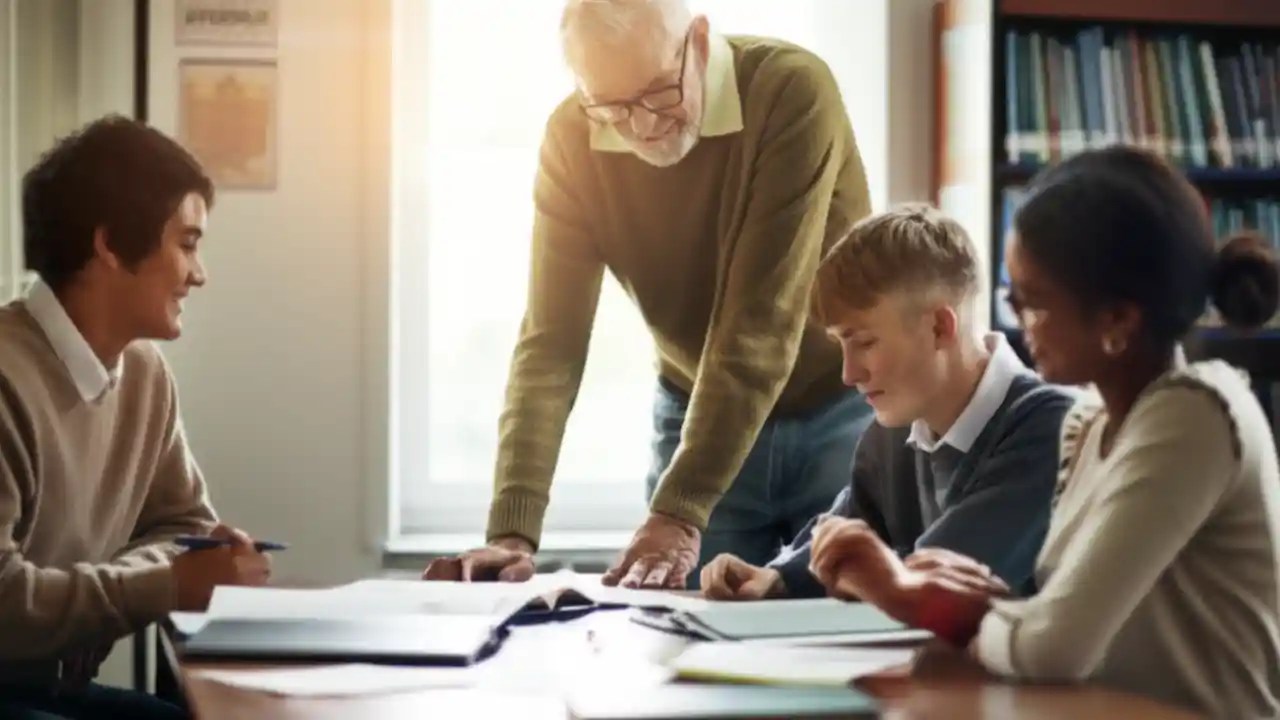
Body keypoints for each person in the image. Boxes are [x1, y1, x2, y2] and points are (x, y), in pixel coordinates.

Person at [809, 147, 1280, 718]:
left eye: (1033, 303)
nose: (1018, 323)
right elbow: (1052, 618)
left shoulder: (1193, 412)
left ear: (1117, 321)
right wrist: (990, 604)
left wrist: (912, 596)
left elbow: (1055, 646)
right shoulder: (1088, 421)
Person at [424, 0, 874, 589]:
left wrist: (678, 511)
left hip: (837, 406)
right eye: (611, 106)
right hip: (698, 417)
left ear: (701, 41)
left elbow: (760, 323)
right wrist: (513, 531)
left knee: (846, 633)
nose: (642, 126)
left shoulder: (791, 90)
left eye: (660, 92)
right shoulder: (571, 138)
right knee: (689, 638)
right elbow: (551, 343)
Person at [0, 116, 273, 720]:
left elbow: (184, 526)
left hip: (45, 690)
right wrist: (161, 586)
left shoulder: (145, 375)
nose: (198, 274)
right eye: (188, 243)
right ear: (110, 244)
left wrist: (120, 586)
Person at [698, 204, 1073, 601]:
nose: (849, 374)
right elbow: (840, 538)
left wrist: (847, 565)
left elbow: (940, 581)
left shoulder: (1051, 429)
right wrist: (775, 577)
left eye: (865, 343)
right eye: (842, 345)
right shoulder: (892, 434)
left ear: (938, 327)